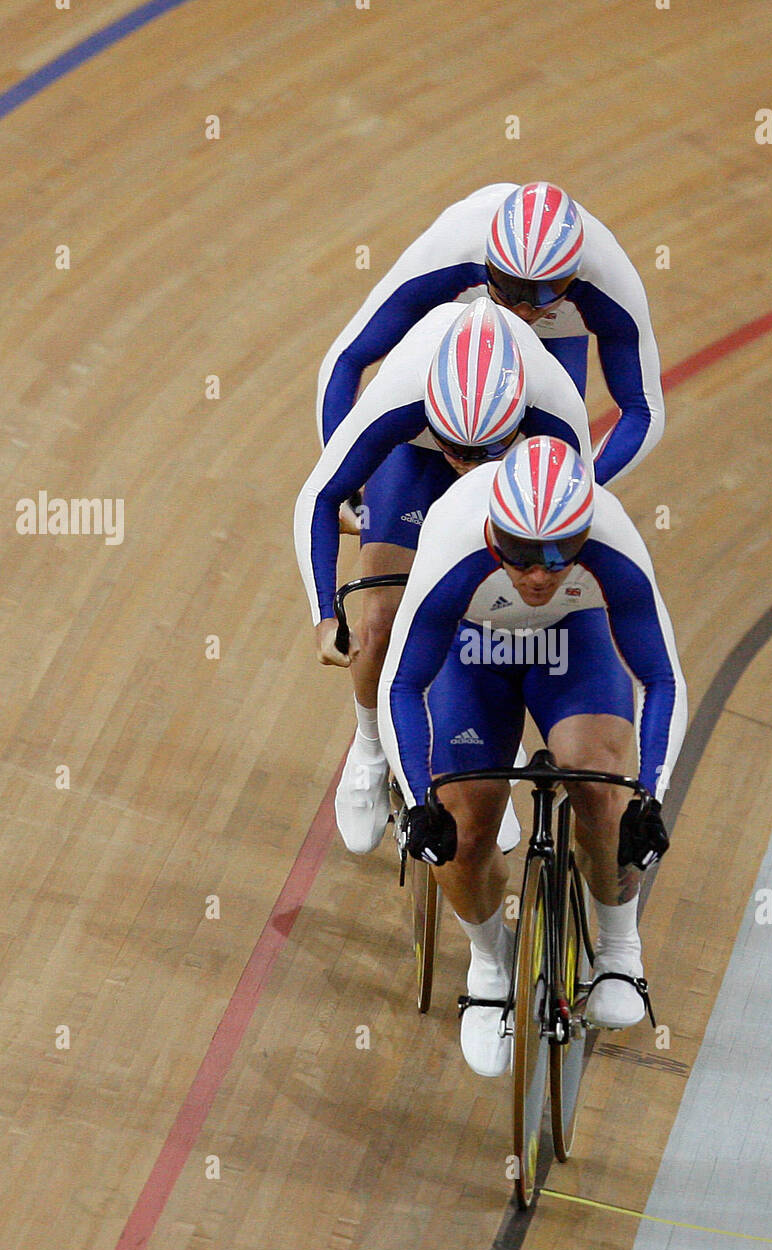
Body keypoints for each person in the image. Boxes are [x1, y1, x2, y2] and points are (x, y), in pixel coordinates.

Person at [378, 437, 687, 1076]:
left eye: (559, 555)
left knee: (602, 787)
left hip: (573, 646)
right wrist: (417, 803)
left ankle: (620, 948)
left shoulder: (614, 543)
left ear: (584, 532)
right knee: (461, 831)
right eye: (520, 555)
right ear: (493, 534)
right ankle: (490, 962)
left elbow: (663, 679)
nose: (540, 574)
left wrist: (649, 795)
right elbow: (401, 683)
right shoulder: (453, 546)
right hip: (472, 651)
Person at [294, 297, 593, 853]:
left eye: (482, 449)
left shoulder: (554, 406)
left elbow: (577, 519)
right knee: (380, 619)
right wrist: (324, 614)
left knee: (505, 617)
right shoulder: (399, 394)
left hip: (511, 480)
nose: (467, 462)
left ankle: (489, 755)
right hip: (411, 463)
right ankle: (368, 748)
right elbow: (319, 494)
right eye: (458, 448)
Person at [317, 182, 664, 488]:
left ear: (575, 275)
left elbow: (643, 410)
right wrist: (341, 484)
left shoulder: (610, 282)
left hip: (551, 345)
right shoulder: (447, 253)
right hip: (454, 343)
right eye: (508, 288)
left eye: (545, 292)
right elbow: (348, 358)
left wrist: (573, 497)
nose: (523, 311)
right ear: (487, 263)